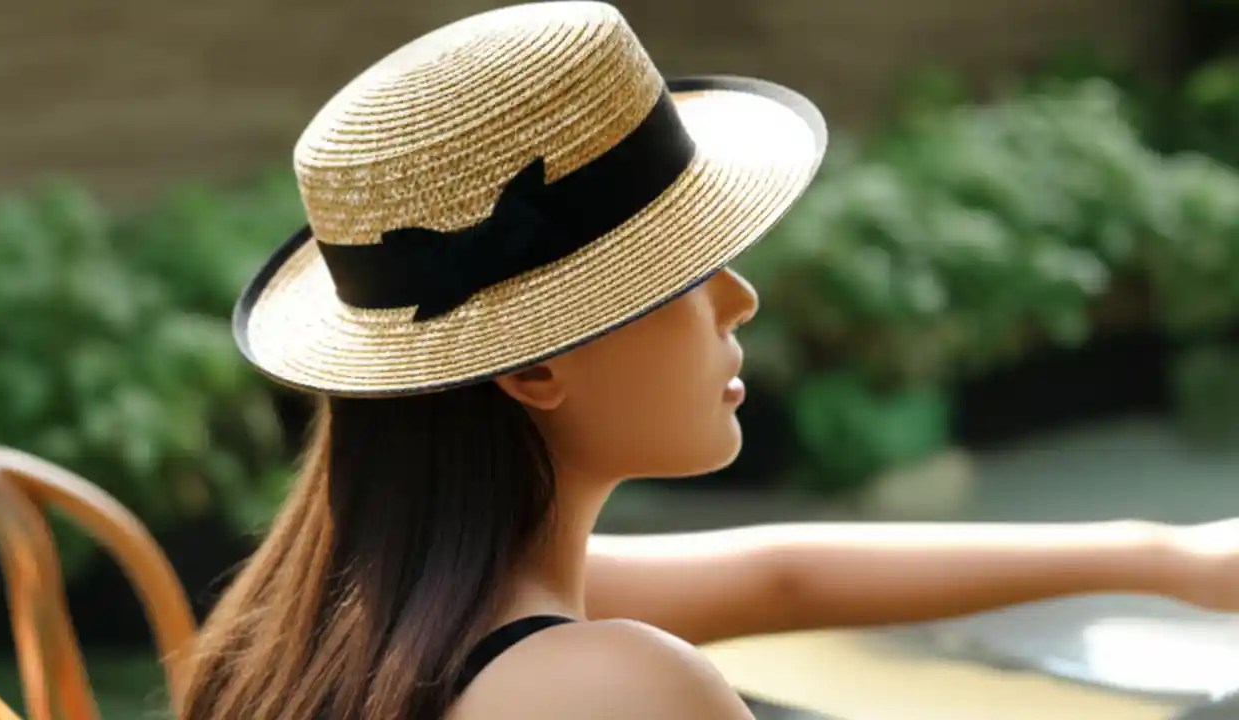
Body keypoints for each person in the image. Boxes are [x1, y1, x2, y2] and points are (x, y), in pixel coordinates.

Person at [178, 3, 1239, 719]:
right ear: (533, 370)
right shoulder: (615, 687)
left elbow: (780, 574)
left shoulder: (337, 616)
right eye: (683, 277)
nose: (740, 297)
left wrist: (1167, 559)